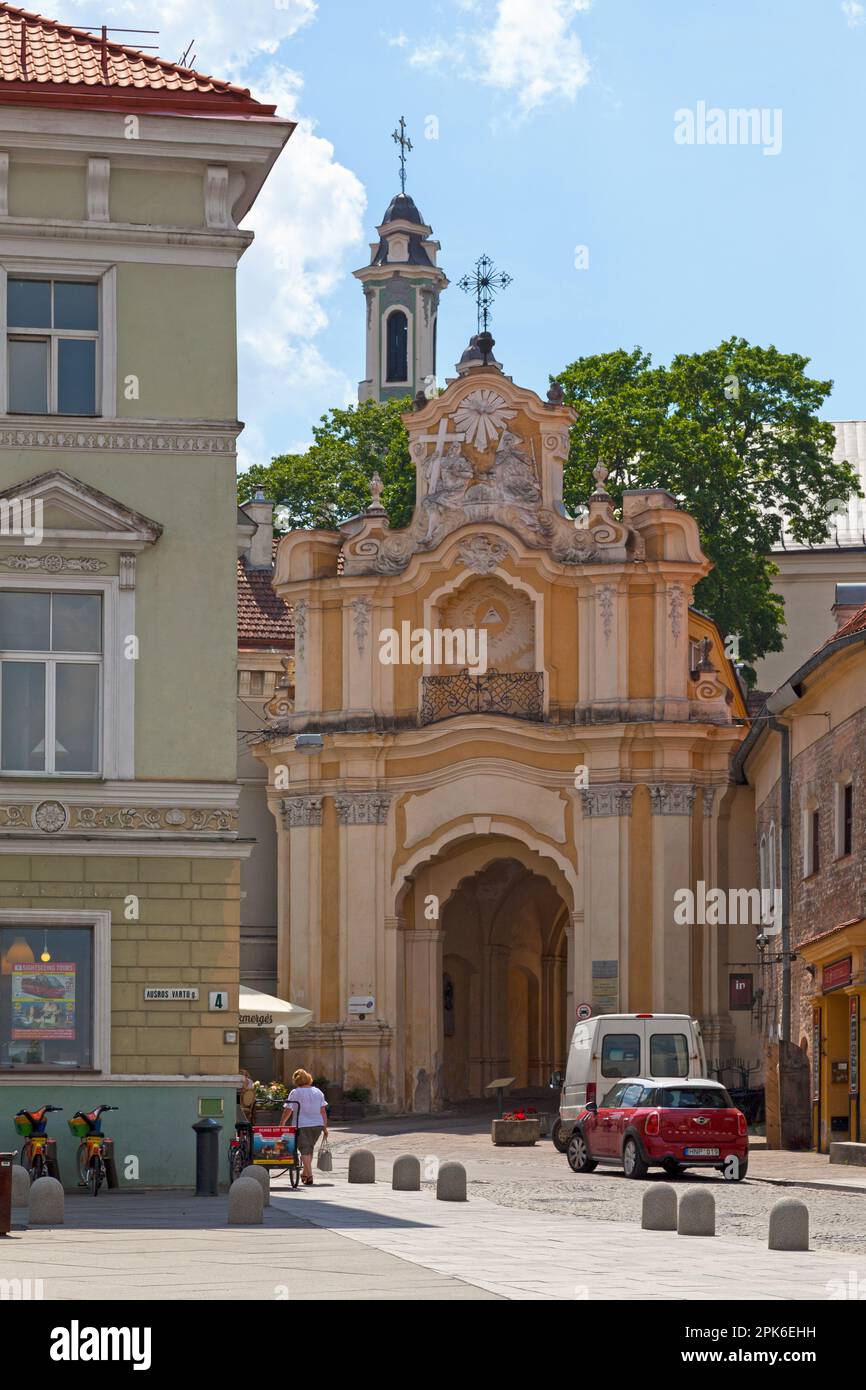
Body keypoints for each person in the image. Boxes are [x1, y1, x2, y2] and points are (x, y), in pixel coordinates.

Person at [282, 1068, 328, 1185]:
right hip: (317, 1124)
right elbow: (323, 1111)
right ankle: (305, 1173)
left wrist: (282, 1123)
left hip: (301, 1124)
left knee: (304, 1149)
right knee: (309, 1148)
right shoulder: (318, 1092)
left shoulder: (295, 1092)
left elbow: (288, 1109)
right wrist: (325, 1126)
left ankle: (310, 1174)